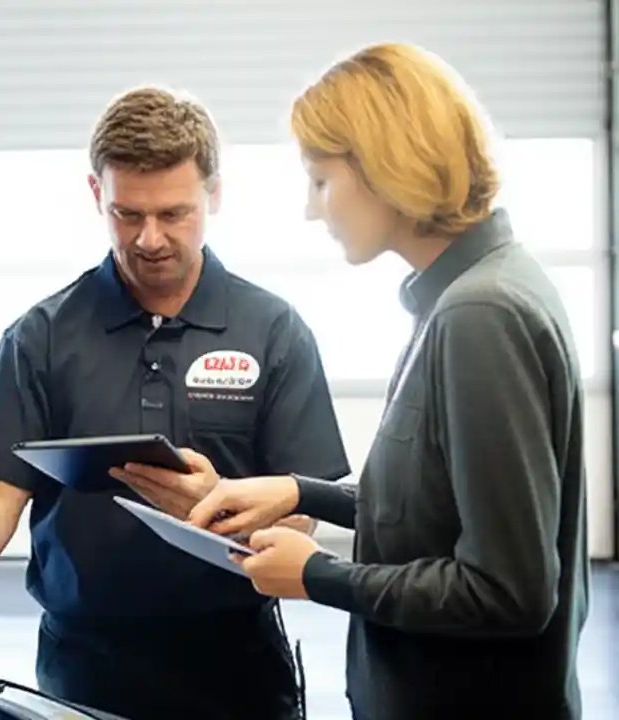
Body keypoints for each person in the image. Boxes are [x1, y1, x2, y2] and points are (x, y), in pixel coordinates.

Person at [0, 85, 351, 720]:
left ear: (215, 195)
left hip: (237, 667)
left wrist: (225, 507)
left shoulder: (274, 331)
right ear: (97, 194)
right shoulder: (40, 337)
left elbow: (301, 518)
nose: (149, 239)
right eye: (127, 214)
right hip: (83, 668)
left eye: (174, 214)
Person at [116, 43, 589, 720]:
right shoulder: (470, 295)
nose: (314, 210)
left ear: (385, 166)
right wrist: (297, 492)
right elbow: (435, 511)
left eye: (320, 180)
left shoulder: (479, 316)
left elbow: (507, 591)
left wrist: (319, 575)